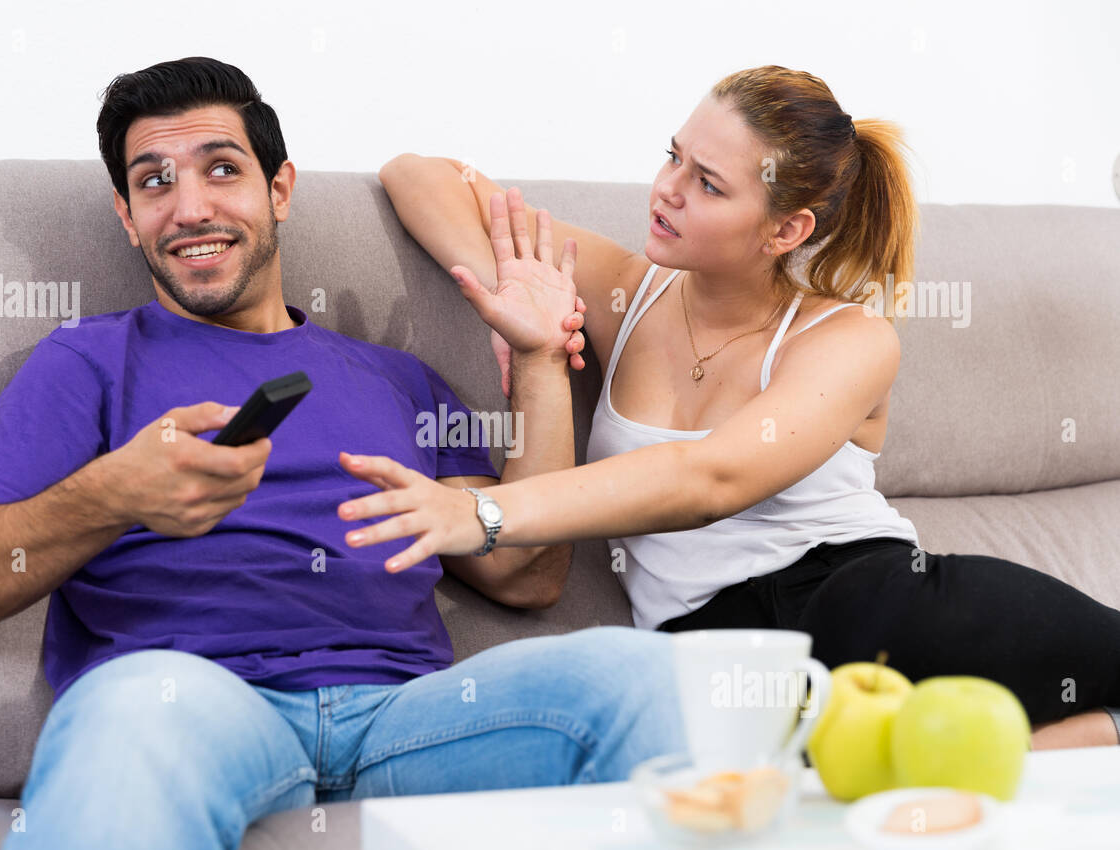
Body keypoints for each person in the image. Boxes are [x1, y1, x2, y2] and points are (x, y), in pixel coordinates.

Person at [0, 56, 686, 850]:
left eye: (221, 170)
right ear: (125, 213)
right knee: (131, 713)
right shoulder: (87, 362)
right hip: (194, 703)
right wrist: (112, 493)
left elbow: (528, 579)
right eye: (154, 182)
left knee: (639, 679)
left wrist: (536, 361)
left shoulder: (397, 378)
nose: (190, 208)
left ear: (279, 189)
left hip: (405, 716)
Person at [362, 65, 1120, 750]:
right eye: (673, 156)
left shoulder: (847, 337)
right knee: (850, 774)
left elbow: (710, 481)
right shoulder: (623, 291)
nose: (667, 189)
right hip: (711, 647)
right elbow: (416, 174)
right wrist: (516, 286)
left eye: (709, 184)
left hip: (867, 599)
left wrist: (490, 516)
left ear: (786, 231)